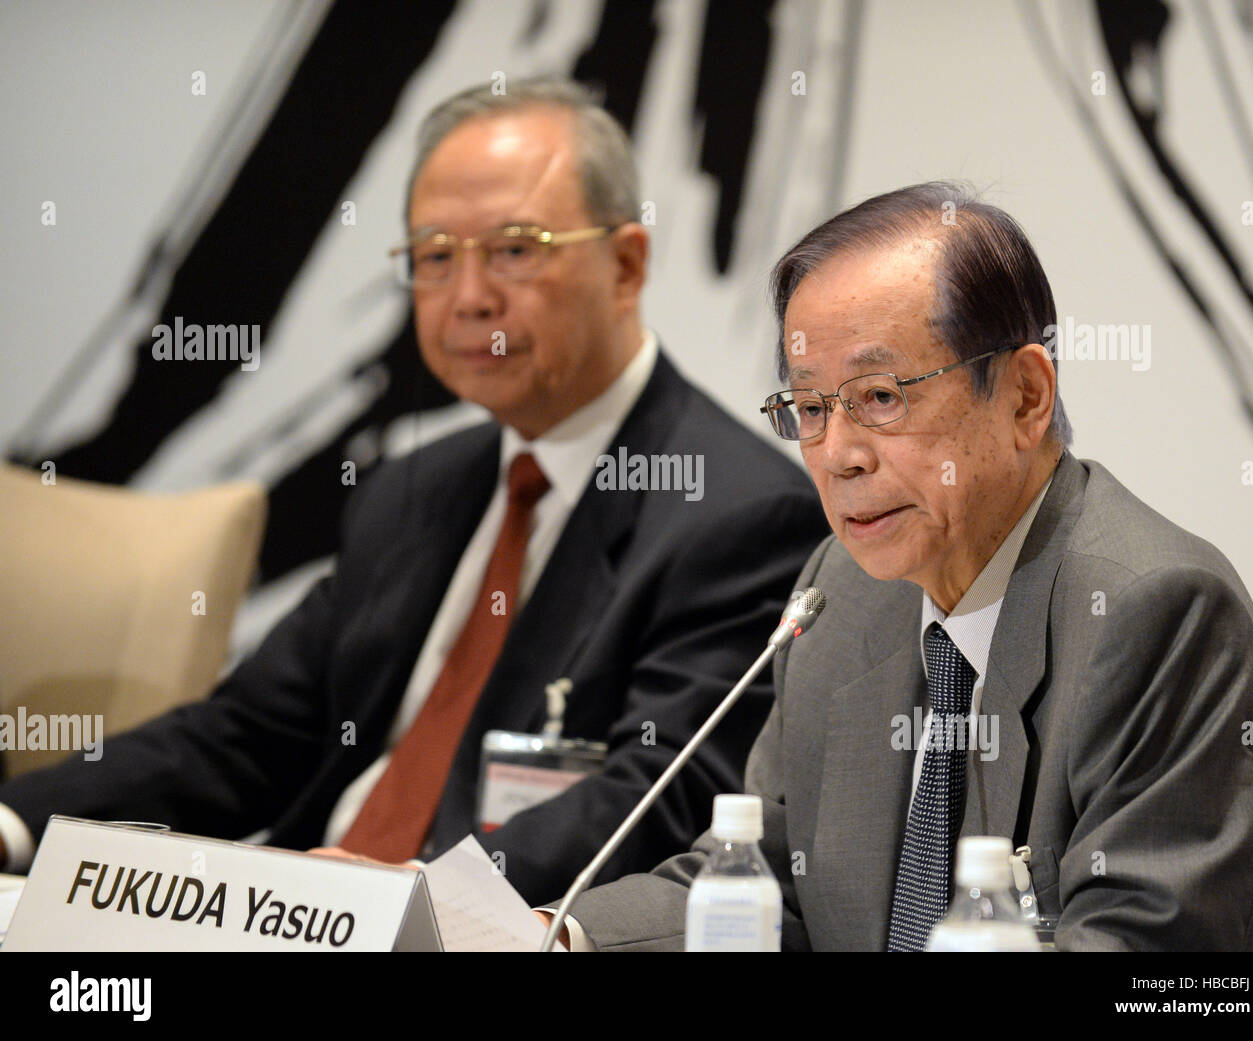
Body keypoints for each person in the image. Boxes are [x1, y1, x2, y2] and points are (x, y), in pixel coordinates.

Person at [0, 80, 826, 906]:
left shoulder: (740, 514)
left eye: (514, 249)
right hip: (298, 913)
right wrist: (15, 824)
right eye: (434, 256)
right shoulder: (414, 486)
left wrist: (409, 897)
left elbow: (656, 802)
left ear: (626, 264)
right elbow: (247, 736)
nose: (469, 298)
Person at [552, 182, 1253, 950]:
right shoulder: (839, 593)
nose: (839, 455)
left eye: (879, 396)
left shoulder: (1159, 614)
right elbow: (761, 884)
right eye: (809, 410)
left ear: (1024, 397)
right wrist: (557, 936)